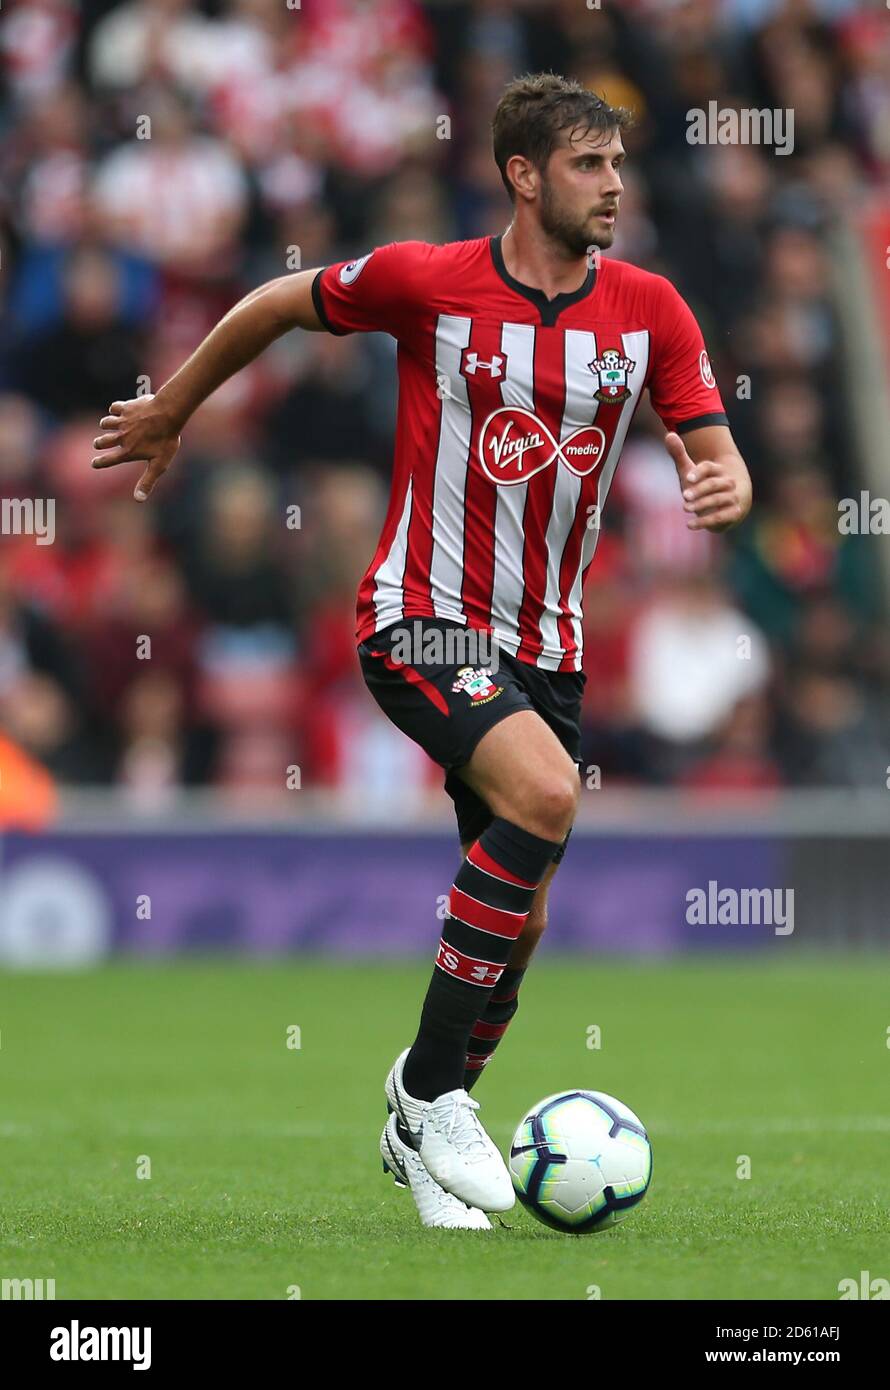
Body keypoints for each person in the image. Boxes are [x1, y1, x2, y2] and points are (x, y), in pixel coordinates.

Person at [92, 73, 752, 1230]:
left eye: (617, 164)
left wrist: (725, 473)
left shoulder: (648, 308)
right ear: (523, 174)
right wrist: (173, 408)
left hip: (545, 648)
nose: (613, 185)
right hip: (418, 613)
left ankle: (415, 1118)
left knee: (526, 913)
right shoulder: (424, 282)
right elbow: (277, 301)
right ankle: (436, 1091)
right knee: (547, 796)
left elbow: (710, 438)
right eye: (588, 165)